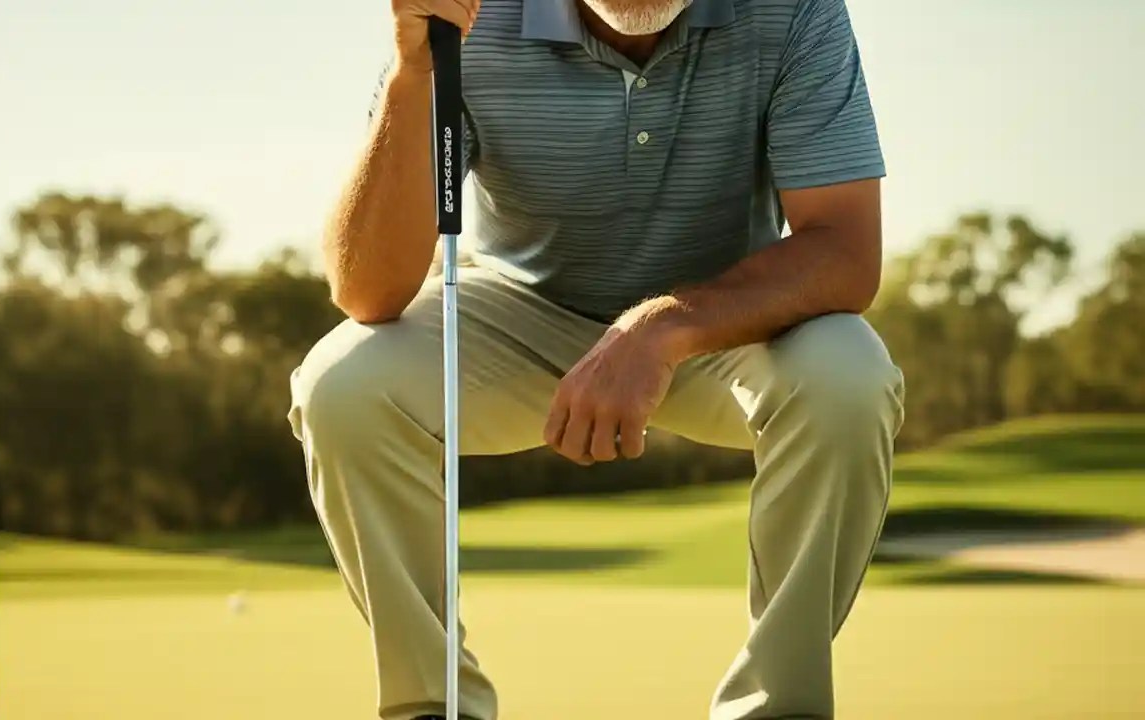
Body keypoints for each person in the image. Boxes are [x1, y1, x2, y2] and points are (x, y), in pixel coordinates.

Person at [287, 0, 904, 717]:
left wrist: (662, 329)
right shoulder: (471, 15)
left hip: (722, 325)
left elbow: (846, 254)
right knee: (344, 386)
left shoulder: (794, 11)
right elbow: (366, 288)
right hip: (515, 314)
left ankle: (780, 707)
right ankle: (435, 706)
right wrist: (413, 75)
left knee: (848, 374)